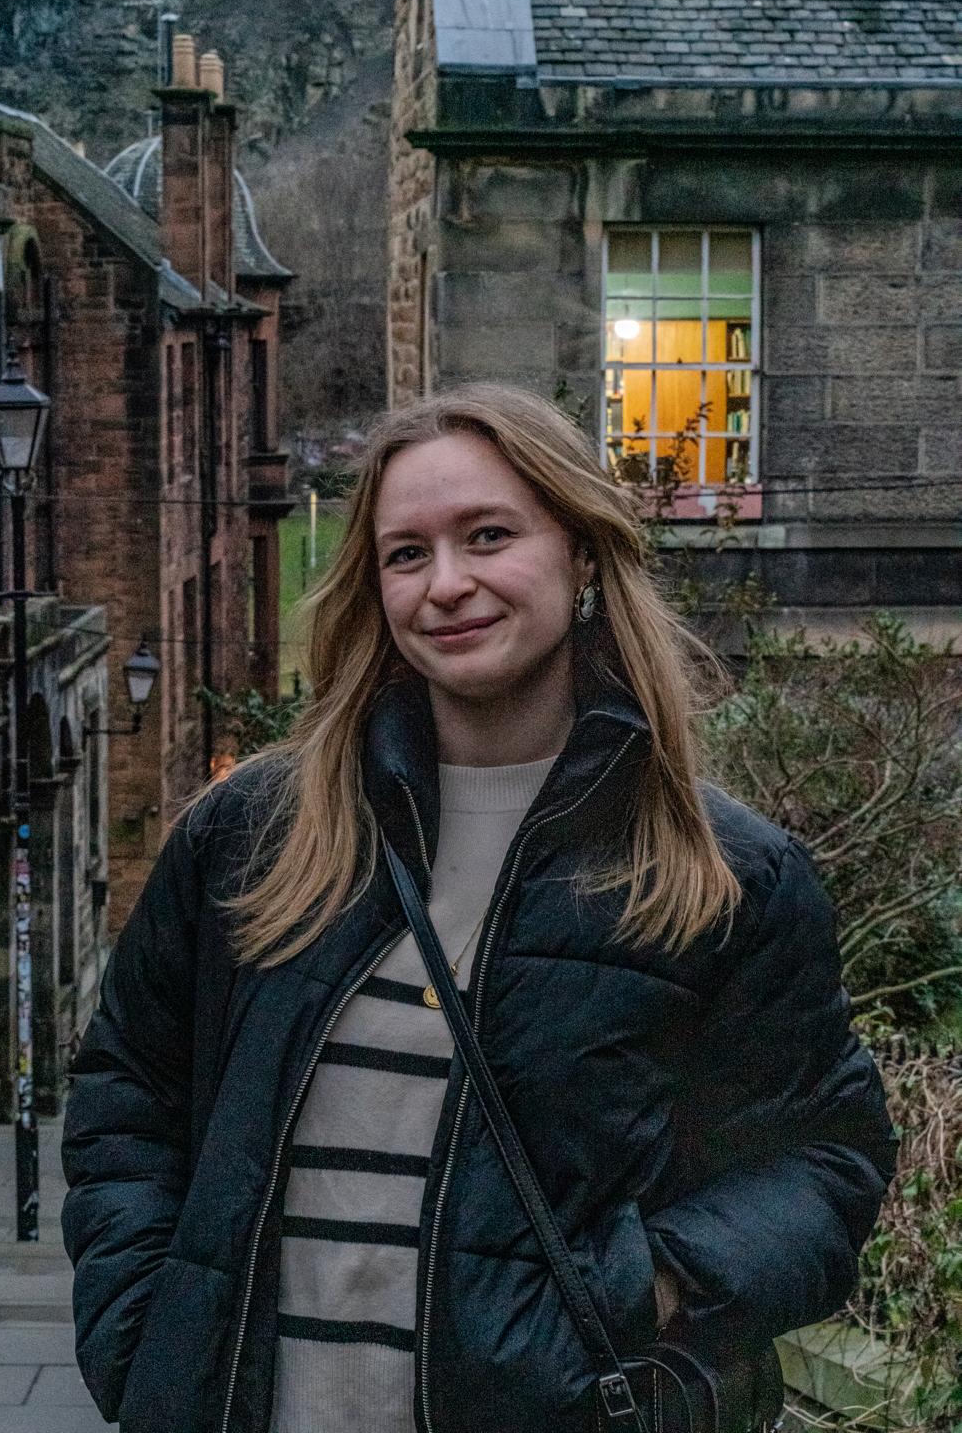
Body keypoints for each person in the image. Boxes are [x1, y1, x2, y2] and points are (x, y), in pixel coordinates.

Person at [62, 384, 898, 1433]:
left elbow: (823, 1158)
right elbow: (128, 1095)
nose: (446, 584)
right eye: (406, 554)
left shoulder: (720, 875)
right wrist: (143, 1334)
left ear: (581, 554)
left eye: (488, 536)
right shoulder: (252, 834)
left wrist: (651, 1286)